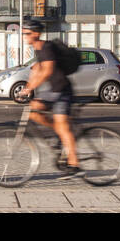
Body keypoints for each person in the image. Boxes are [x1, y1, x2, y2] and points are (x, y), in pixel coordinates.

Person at [14, 18, 81, 180]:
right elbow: (37, 69)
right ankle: (57, 131)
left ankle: (75, 164)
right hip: (53, 91)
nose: (25, 36)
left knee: (63, 127)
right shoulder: (38, 49)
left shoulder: (47, 47)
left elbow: (47, 71)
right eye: (24, 33)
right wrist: (28, 86)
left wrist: (30, 88)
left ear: (36, 33)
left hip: (63, 90)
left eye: (27, 33)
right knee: (32, 111)